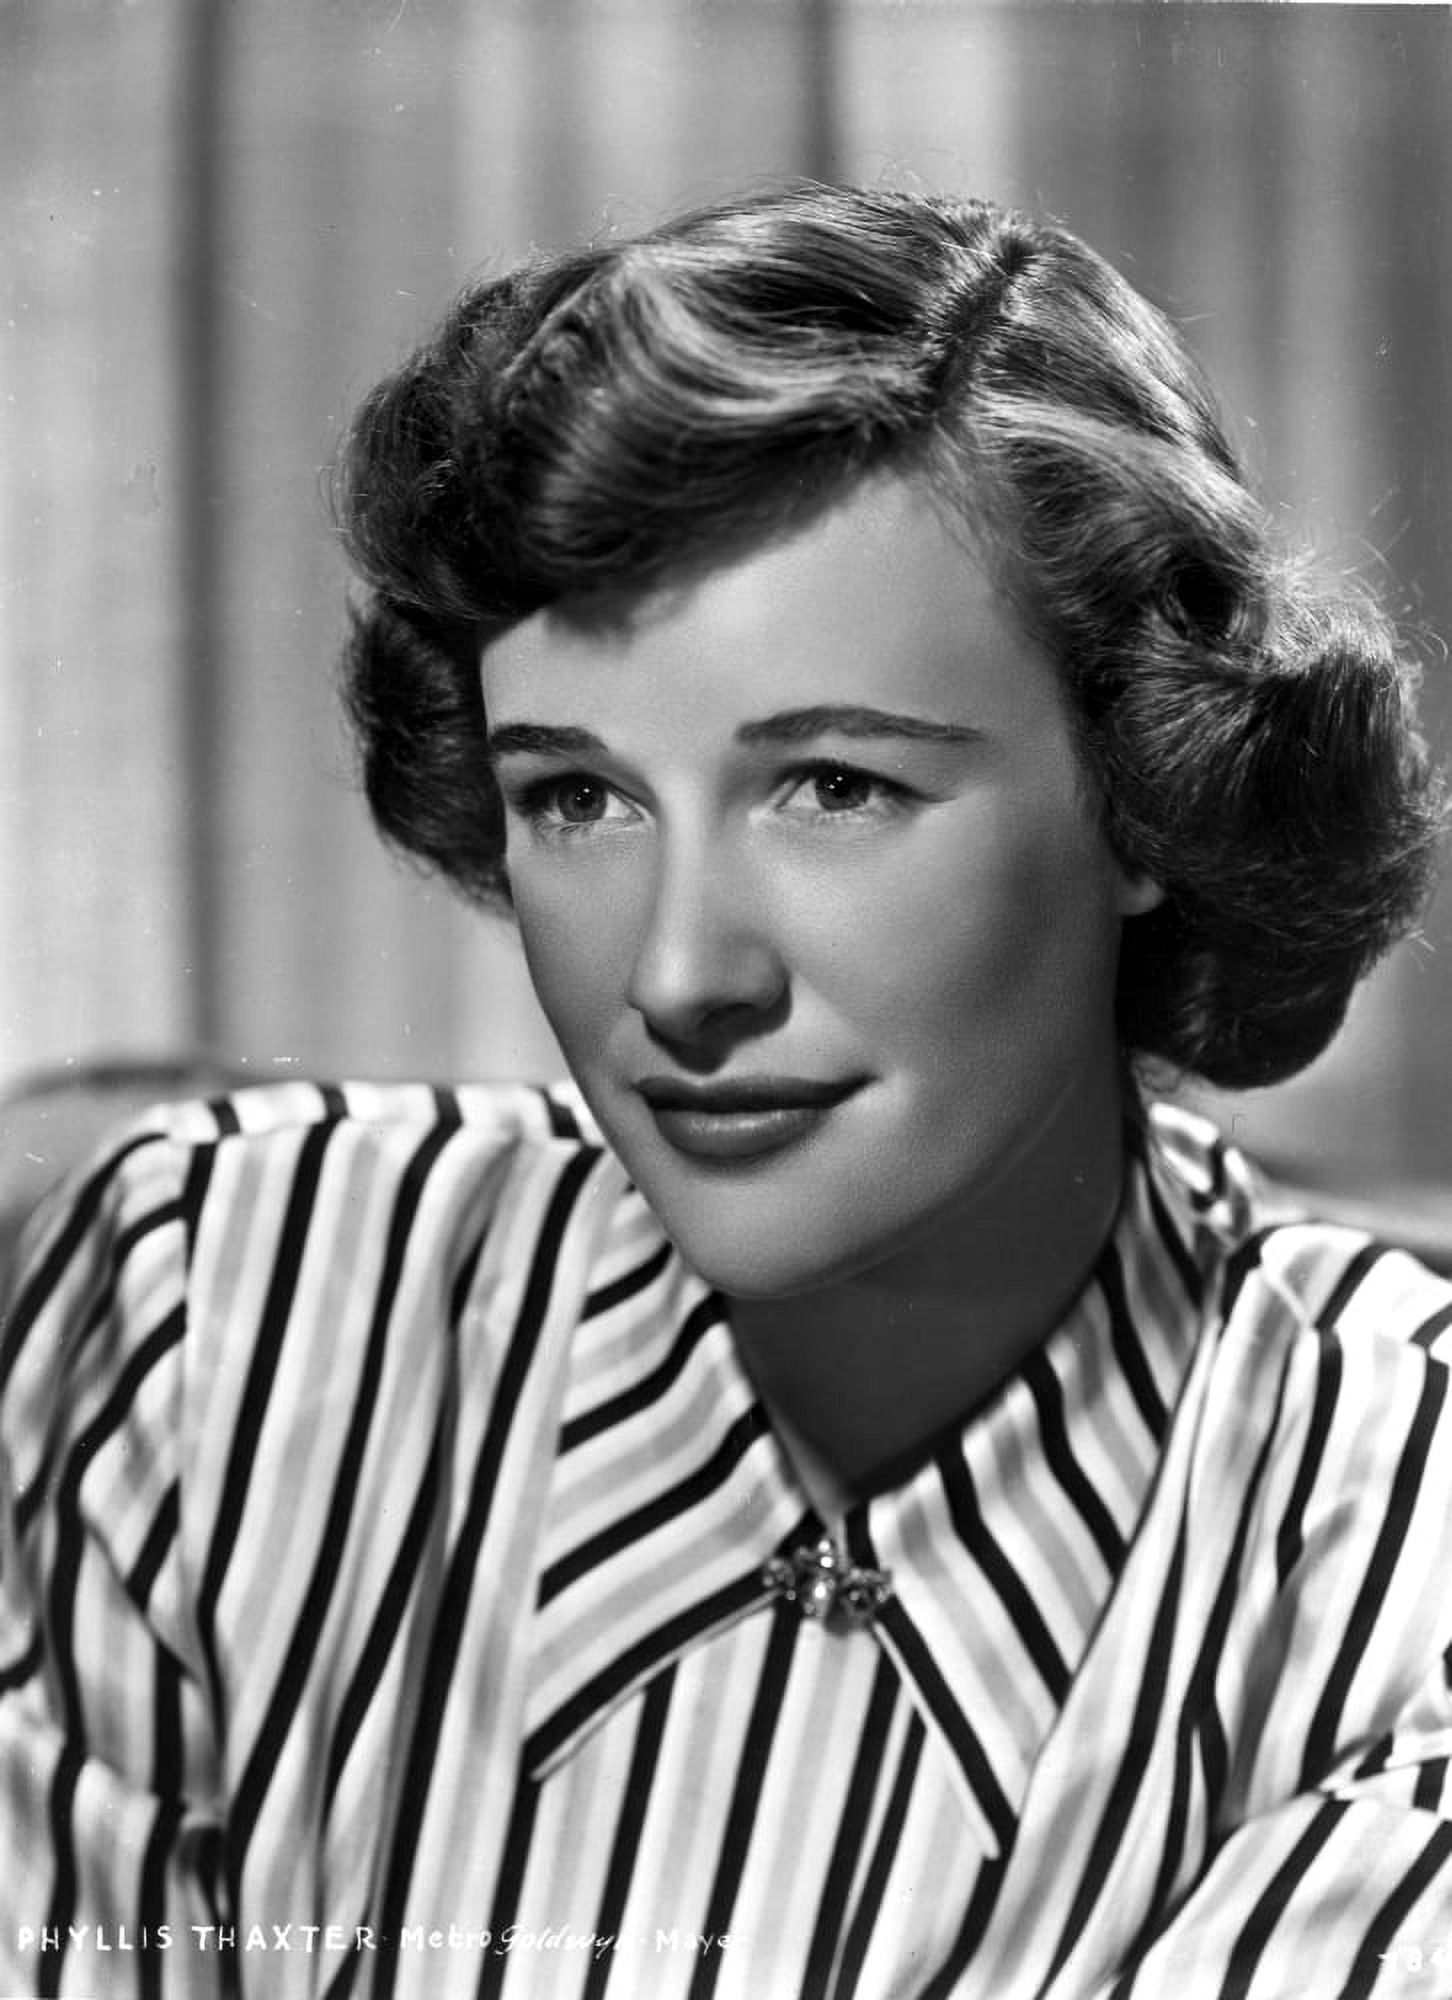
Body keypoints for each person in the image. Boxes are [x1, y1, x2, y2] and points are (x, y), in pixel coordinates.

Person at [1, 183, 1449, 2000]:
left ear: (1150, 795)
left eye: (836, 787)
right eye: (577, 798)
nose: (679, 977)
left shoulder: (1398, 1524)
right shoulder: (211, 1319)